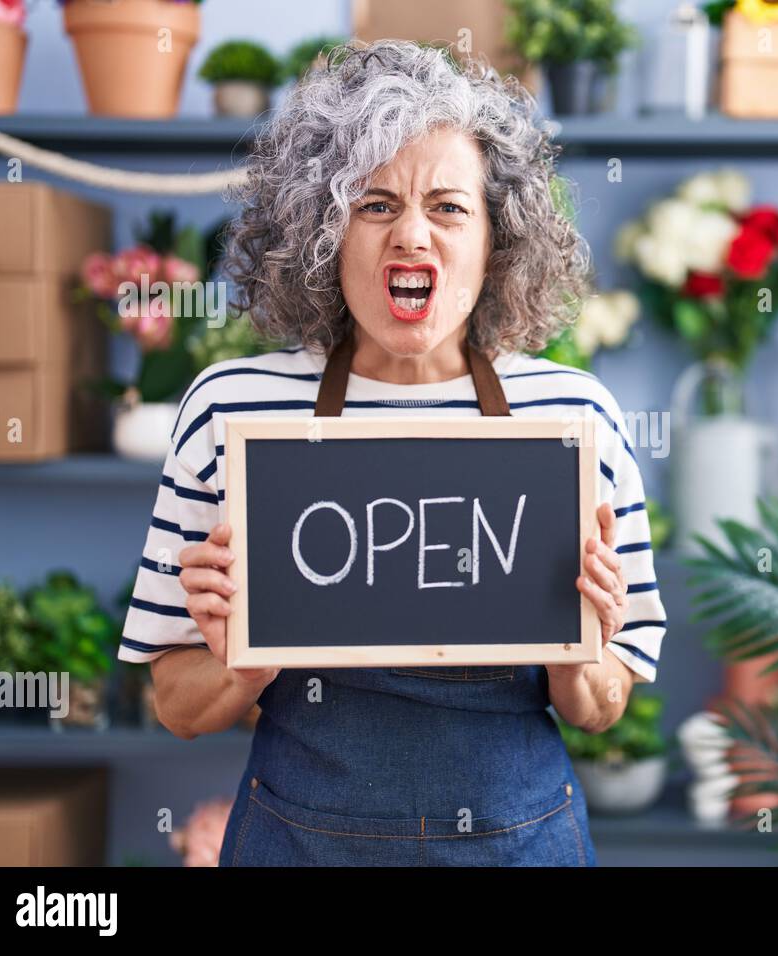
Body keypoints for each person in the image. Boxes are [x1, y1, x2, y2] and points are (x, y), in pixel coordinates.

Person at [118, 41, 667, 866]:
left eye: (449, 207)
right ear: (323, 232)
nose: (412, 234)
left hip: (518, 843)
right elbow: (177, 704)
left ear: (498, 240)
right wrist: (237, 658)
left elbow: (599, 708)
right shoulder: (229, 410)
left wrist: (585, 641)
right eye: (374, 205)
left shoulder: (572, 419)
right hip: (298, 842)